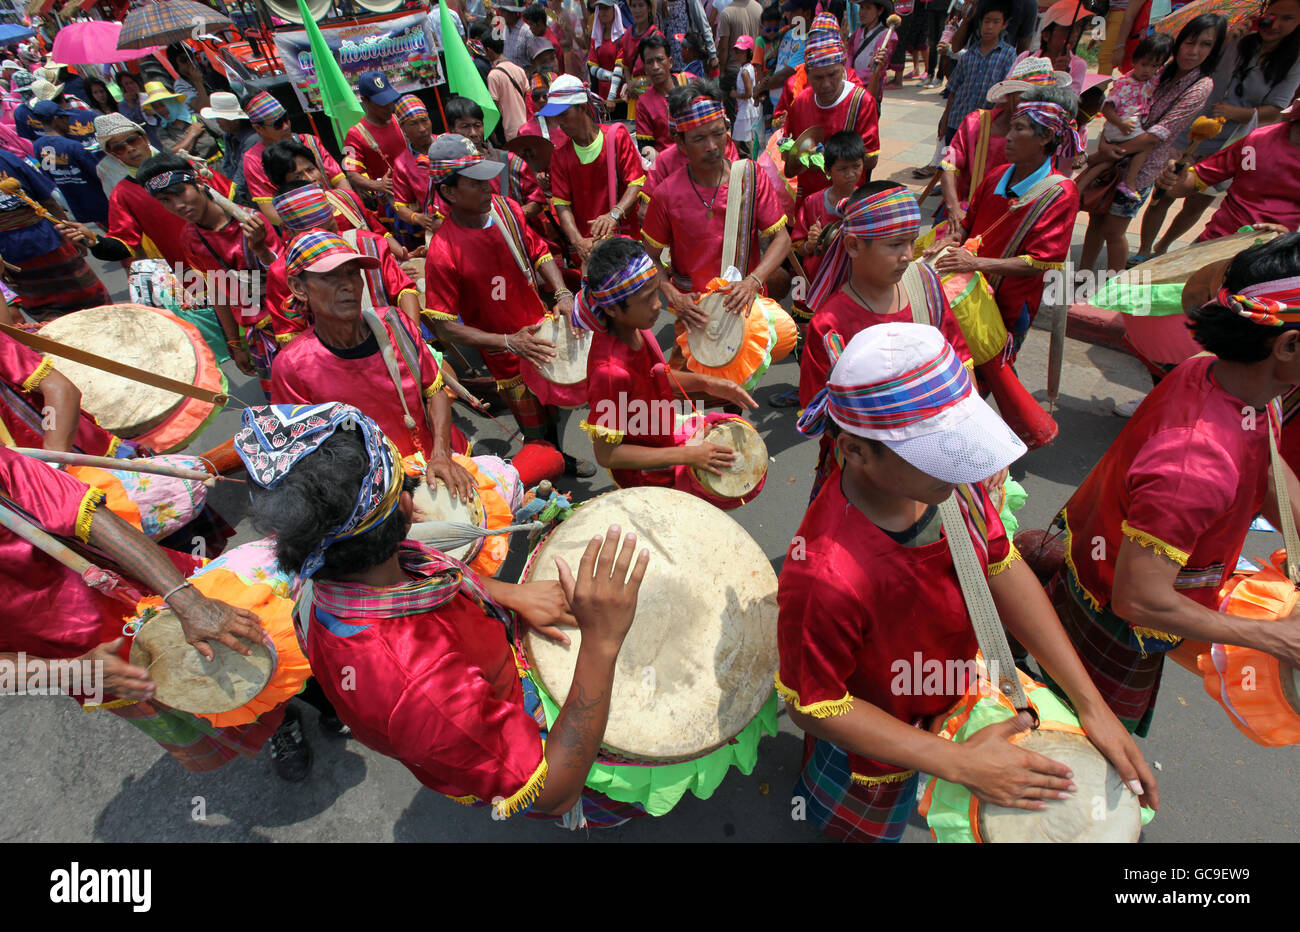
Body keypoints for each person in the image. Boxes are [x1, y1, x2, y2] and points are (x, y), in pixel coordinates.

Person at [778, 322, 1156, 843]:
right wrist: (957, 764)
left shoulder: (950, 485)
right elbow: (817, 706)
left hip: (957, 688)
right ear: (857, 451)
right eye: (936, 452)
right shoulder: (825, 576)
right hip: (879, 731)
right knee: (862, 825)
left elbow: (998, 566)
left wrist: (1092, 706)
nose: (959, 466)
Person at [237, 401, 652, 824]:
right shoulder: (420, 690)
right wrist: (602, 642)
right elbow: (554, 791)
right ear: (404, 509)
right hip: (514, 731)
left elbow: (420, 564)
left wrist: (506, 593)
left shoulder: (332, 563)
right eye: (406, 481)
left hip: (481, 672)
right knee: (614, 789)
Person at [1044, 233, 1300, 736]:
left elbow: (1268, 465)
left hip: (1110, 565)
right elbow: (1139, 600)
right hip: (1121, 617)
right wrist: (1277, 641)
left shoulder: (1220, 374)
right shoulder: (1195, 465)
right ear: (1289, 344)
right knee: (1085, 746)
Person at [0, 443, 313, 780]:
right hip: (81, 661)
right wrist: (68, 672)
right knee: (219, 695)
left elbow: (86, 514)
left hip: (145, 590)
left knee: (280, 635)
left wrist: (187, 600)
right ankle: (280, 721)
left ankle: (336, 698)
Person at [422, 134, 593, 474]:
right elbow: (444, 327)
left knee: (556, 408)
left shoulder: (507, 210)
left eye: (487, 178)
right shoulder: (443, 252)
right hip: (506, 355)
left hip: (542, 333)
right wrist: (507, 342)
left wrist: (561, 292)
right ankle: (541, 475)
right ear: (449, 193)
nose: (489, 187)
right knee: (532, 425)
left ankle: (558, 457)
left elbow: (539, 252)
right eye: (476, 183)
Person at [799, 183, 971, 494]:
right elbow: (825, 416)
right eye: (894, 245)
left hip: (939, 457)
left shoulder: (925, 287)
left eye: (911, 242)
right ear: (853, 246)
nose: (907, 256)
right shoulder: (830, 326)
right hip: (869, 473)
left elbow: (960, 361)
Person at [269, 232, 473, 494]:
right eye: (330, 276)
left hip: (437, 459)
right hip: (373, 489)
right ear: (299, 288)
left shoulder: (395, 324)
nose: (348, 286)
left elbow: (435, 394)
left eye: (353, 273)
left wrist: (441, 453)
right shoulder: (293, 366)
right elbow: (307, 451)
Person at [575, 236, 757, 492]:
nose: (658, 305)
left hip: (664, 440)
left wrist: (710, 383)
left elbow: (655, 378)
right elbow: (608, 455)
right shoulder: (609, 373)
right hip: (645, 477)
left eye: (656, 293)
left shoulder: (640, 329)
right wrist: (687, 456)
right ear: (613, 310)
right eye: (647, 299)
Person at [1138, 0, 1300, 260]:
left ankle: (1163, 249)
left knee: (1196, 203)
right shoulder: (1237, 39)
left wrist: (1237, 114)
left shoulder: (1293, 61)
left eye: (1288, 18)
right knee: (1164, 190)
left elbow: (1276, 108)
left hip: (1231, 142)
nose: (1276, 24)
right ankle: (1144, 250)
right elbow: (1199, 64)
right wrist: (1225, 42)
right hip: (1189, 132)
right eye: (1273, 16)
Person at [931, 88, 1081, 355]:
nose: (1007, 137)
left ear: (1045, 136)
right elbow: (969, 225)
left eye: (1019, 129)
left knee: (993, 369)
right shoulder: (997, 175)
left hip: (1008, 305)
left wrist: (974, 262)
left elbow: (1040, 261)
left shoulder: (1060, 193)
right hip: (966, 292)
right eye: (1011, 127)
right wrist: (949, 240)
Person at [1078, 14, 1225, 273]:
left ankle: (1114, 287)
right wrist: (1104, 145)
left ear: (1214, 50)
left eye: (1205, 45)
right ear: (1179, 42)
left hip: (1142, 164)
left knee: (1114, 229)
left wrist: (1107, 153)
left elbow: (1160, 133)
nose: (1194, 51)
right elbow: (1117, 104)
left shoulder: (1201, 85)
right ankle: (1084, 274)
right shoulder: (1158, 68)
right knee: (1096, 220)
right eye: (1190, 42)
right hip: (1115, 150)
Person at [641, 81, 792, 325]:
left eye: (718, 134)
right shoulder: (666, 194)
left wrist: (753, 280)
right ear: (681, 143)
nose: (712, 146)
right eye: (699, 138)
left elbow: (782, 239)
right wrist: (673, 296)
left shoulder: (750, 177)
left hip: (744, 307)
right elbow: (650, 258)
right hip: (694, 313)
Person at [136, 153, 287, 386]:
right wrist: (235, 344)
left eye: (179, 193)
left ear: (198, 182)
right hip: (257, 334)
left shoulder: (251, 221)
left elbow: (286, 276)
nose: (177, 205)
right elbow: (218, 292)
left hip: (289, 321)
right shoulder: (190, 238)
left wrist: (259, 248)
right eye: (166, 200)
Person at [270, 184, 421, 337]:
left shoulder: (367, 243)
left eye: (330, 229)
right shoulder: (278, 272)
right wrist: (251, 312)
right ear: (288, 231)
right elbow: (250, 276)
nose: (327, 240)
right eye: (314, 235)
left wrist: (412, 338)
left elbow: (403, 289)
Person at [939, 56, 1067, 228]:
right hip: (965, 209)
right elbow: (949, 166)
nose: (1032, 106)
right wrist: (953, 208)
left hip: (1009, 219)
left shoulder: (1041, 138)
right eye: (1026, 98)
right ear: (1010, 96)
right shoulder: (976, 122)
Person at [1154, 102, 1300, 245]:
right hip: (1217, 240)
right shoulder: (1258, 139)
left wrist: (1288, 238)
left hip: (1273, 254)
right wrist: (1176, 179)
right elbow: (1194, 181)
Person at [539, 75, 646, 263]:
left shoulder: (616, 136)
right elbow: (562, 205)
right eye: (555, 117)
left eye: (564, 114)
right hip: (589, 248)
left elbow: (636, 183)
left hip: (625, 241)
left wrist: (614, 214)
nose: (559, 122)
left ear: (581, 107)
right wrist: (578, 241)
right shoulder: (560, 155)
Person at [781, 12, 882, 204]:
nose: (826, 84)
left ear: (843, 65)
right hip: (809, 201)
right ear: (807, 73)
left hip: (847, 202)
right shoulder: (801, 102)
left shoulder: (861, 101)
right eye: (818, 78)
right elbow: (790, 151)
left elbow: (871, 159)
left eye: (833, 74)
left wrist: (825, 157)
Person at [0, 148, 107, 320]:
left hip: (48, 242)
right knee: (47, 314)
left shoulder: (6, 159)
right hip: (12, 257)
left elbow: (46, 199)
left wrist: (70, 232)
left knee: (91, 300)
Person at [1076, 34, 1173, 202]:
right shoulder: (1124, 83)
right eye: (1144, 64)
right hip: (1122, 126)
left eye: (1154, 66)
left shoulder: (1150, 79)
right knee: (1145, 146)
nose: (1148, 70)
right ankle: (1129, 183)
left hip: (1121, 127)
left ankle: (1077, 188)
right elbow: (1106, 108)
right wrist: (1120, 123)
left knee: (1106, 162)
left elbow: (1167, 64)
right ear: (1134, 61)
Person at [241, 91, 349, 226]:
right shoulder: (253, 161)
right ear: (258, 128)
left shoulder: (310, 142)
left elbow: (341, 182)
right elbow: (272, 214)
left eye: (286, 119)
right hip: (304, 228)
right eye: (278, 124)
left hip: (338, 214)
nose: (286, 127)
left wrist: (346, 209)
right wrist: (311, 225)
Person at [790, 129, 864, 289]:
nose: (851, 174)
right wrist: (811, 244)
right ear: (828, 170)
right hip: (816, 279)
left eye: (856, 166)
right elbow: (798, 249)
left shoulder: (867, 203)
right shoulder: (812, 203)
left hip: (853, 282)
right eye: (843, 169)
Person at [941, 0, 1015, 147]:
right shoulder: (969, 54)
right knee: (950, 166)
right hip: (956, 122)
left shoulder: (1008, 55)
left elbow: (1006, 94)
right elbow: (953, 88)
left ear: (1004, 24)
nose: (990, 27)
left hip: (984, 127)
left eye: (996, 22)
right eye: (987, 21)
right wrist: (945, 120)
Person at [29, 99, 108, 226]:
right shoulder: (73, 146)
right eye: (65, 118)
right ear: (56, 119)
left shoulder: (38, 146)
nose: (68, 122)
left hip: (77, 206)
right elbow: (98, 174)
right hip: (100, 201)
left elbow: (49, 175)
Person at [342, 71, 409, 213]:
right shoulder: (355, 134)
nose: (388, 106)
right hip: (390, 205)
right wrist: (377, 185)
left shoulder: (400, 120)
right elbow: (352, 174)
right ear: (365, 100)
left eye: (389, 100)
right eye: (381, 103)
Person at [634, 33, 688, 155]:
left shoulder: (689, 83)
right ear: (645, 68)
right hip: (668, 167)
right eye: (650, 62)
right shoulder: (644, 103)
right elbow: (645, 147)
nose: (655, 67)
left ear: (670, 62)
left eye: (659, 60)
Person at [200, 92, 256, 206]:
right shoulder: (228, 135)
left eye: (219, 118)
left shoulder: (251, 139)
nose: (217, 121)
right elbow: (227, 165)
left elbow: (243, 174)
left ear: (234, 120)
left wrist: (232, 198)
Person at [757, 0, 812, 109]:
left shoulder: (809, 41)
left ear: (807, 14)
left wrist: (759, 88)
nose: (788, 15)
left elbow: (784, 77)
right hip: (776, 107)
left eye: (793, 11)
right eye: (788, 11)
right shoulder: (787, 34)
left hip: (792, 108)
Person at [484, 31, 532, 141]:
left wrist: (492, 133)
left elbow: (494, 108)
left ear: (489, 50)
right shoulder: (519, 69)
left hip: (510, 131)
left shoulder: (493, 75)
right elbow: (528, 96)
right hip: (528, 126)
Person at [848, 0, 899, 100]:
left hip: (870, 88)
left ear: (880, 11)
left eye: (868, 8)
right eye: (862, 7)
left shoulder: (888, 37)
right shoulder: (857, 33)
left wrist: (852, 77)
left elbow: (878, 68)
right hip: (852, 86)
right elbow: (850, 54)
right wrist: (847, 73)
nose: (863, 12)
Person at [659, 0, 718, 73]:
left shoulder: (690, 1)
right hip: (670, 63)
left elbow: (704, 27)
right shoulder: (660, 3)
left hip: (691, 62)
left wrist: (713, 55)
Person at [588, 0, 626, 103]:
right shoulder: (596, 37)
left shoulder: (623, 36)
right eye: (600, 8)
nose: (603, 12)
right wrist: (611, 76)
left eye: (606, 8)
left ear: (614, 10)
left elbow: (619, 67)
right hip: (602, 98)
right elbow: (592, 67)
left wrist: (611, 97)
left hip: (621, 98)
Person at [730, 35, 761, 156]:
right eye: (737, 52)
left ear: (748, 53)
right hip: (750, 109)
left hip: (745, 110)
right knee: (751, 138)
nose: (738, 55)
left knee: (736, 140)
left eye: (741, 52)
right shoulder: (750, 68)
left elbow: (749, 93)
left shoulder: (744, 72)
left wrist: (735, 94)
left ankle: (734, 163)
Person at [716, 0, 763, 74]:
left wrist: (722, 71)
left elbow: (723, 48)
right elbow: (761, 41)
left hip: (733, 69)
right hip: (753, 70)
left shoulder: (726, 12)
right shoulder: (759, 9)